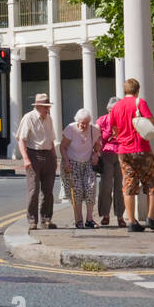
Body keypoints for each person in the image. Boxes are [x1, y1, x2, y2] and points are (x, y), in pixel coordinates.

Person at [110, 76, 154, 232]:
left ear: (124, 90)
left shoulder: (116, 107)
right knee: (153, 183)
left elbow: (113, 129)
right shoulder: (140, 103)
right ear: (137, 90)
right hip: (141, 148)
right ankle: (151, 218)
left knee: (128, 185)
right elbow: (151, 122)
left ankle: (131, 221)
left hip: (124, 151)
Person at [16, 92, 58, 230]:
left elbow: (51, 140)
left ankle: (46, 219)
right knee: (33, 190)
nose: (48, 109)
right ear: (38, 106)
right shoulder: (28, 118)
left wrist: (54, 158)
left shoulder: (49, 119)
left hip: (48, 156)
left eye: (48, 106)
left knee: (48, 191)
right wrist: (26, 159)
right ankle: (32, 220)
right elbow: (21, 139)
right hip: (33, 154)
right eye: (46, 106)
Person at [60, 109, 102, 227]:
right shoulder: (71, 129)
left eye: (86, 123)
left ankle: (89, 219)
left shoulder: (94, 130)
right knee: (77, 190)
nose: (83, 126)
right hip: (72, 162)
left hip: (88, 162)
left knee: (91, 187)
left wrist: (95, 154)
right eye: (81, 123)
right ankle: (78, 219)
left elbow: (98, 146)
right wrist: (66, 162)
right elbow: (63, 147)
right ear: (77, 121)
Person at [96, 96, 126, 227]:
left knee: (120, 187)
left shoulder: (124, 121)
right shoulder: (102, 121)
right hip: (106, 154)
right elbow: (98, 139)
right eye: (112, 110)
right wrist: (110, 133)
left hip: (121, 154)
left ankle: (120, 216)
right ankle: (105, 214)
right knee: (106, 186)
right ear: (108, 110)